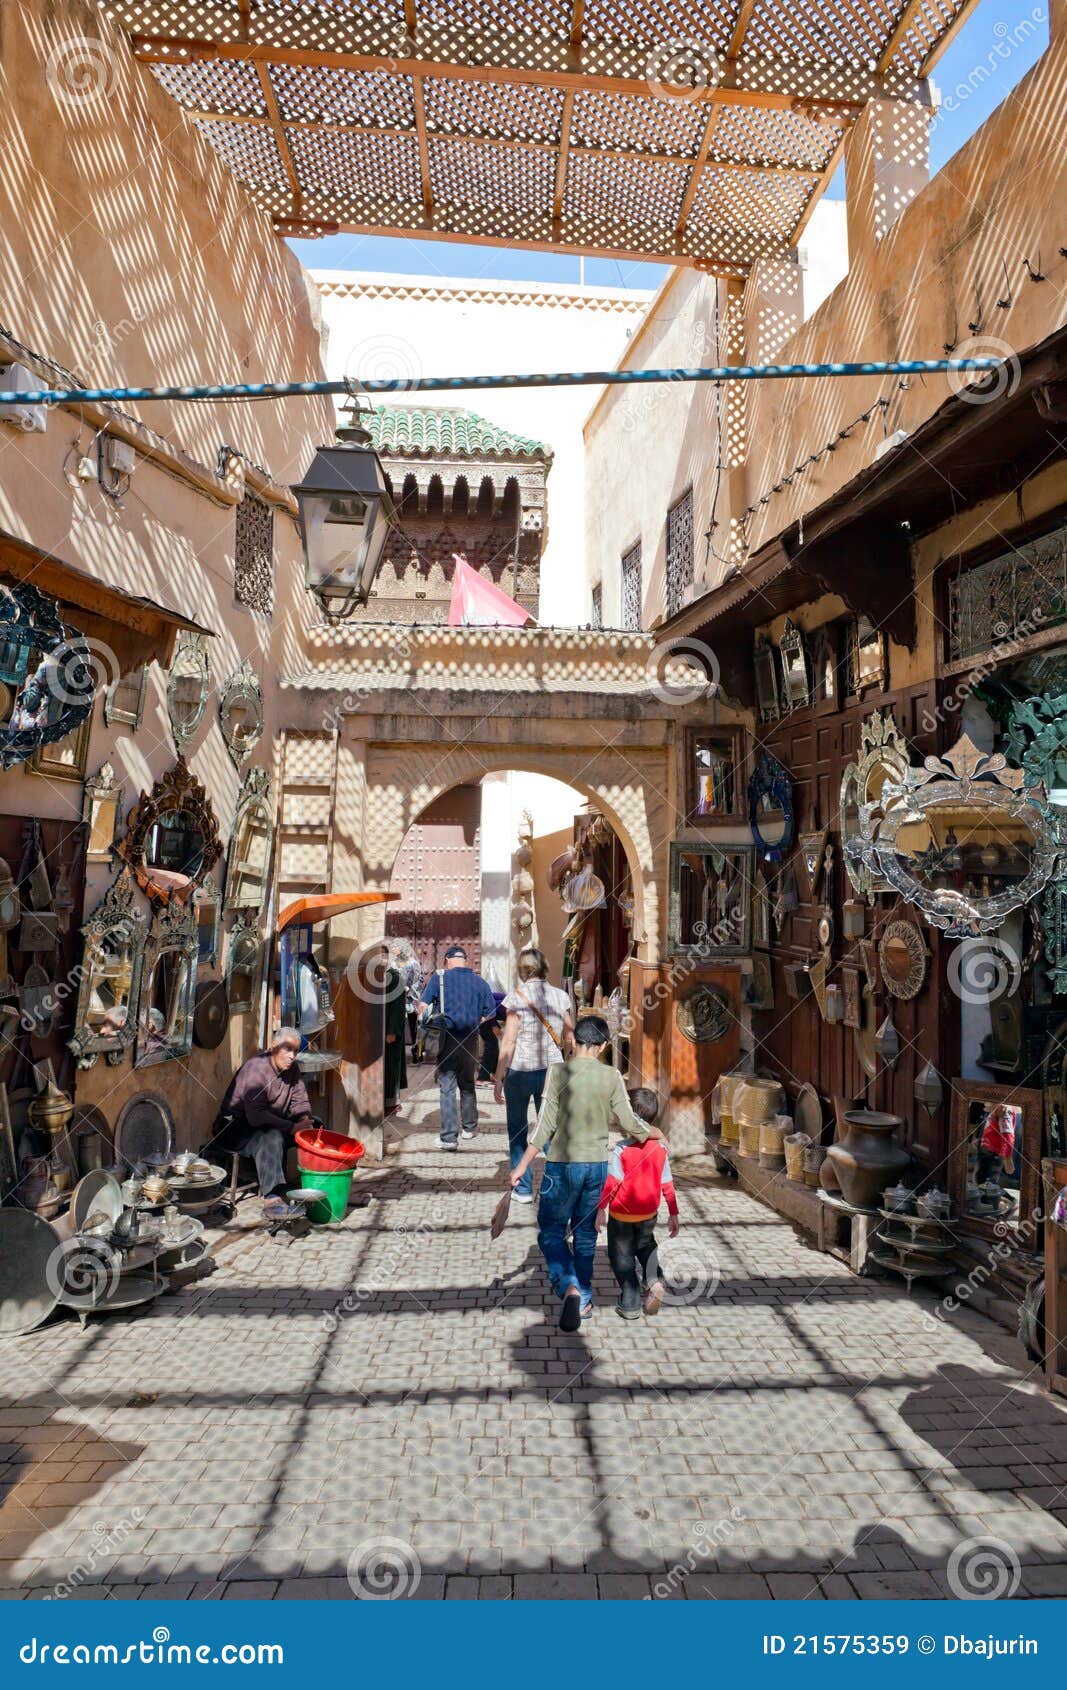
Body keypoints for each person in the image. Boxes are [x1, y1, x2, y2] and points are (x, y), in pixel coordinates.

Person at [509, 1013, 663, 1331]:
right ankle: (587, 1299)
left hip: (561, 1166)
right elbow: (629, 1122)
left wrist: (522, 1165)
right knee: (585, 1235)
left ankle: (570, 1287)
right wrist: (655, 1133)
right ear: (603, 1045)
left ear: (574, 1040)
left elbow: (545, 1126)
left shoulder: (557, 1072)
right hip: (596, 1167)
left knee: (551, 1230)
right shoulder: (611, 1077)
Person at [493, 947, 574, 1204]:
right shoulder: (561, 997)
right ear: (544, 968)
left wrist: (498, 1077)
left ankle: (524, 1188)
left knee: (518, 1131)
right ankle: (556, 1186)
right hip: (552, 1072)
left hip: (520, 1072)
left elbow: (509, 1041)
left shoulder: (516, 997)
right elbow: (570, 1035)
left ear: (522, 969)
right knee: (550, 1129)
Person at [211, 1028, 314, 1218]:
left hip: (269, 1122)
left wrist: (304, 1120)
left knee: (314, 1128)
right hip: (233, 1127)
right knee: (271, 1136)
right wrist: (291, 1127)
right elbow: (256, 1116)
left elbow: (299, 1100)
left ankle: (315, 1183)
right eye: (287, 1049)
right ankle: (271, 1195)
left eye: (295, 1051)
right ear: (273, 1046)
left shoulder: (292, 1069)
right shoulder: (256, 1069)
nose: (292, 1056)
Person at [596, 1087, 679, 1320]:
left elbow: (612, 1182)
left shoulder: (622, 1149)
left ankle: (630, 1301)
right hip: (648, 1213)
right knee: (646, 1246)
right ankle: (655, 1283)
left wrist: (601, 1208)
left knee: (621, 1257)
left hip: (622, 1216)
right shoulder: (660, 1149)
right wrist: (673, 1214)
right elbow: (667, 1184)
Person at [420, 945, 497, 1151]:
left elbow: (422, 1006)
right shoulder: (480, 982)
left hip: (447, 1039)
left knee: (447, 1087)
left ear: (447, 960)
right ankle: (470, 1128)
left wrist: (428, 1022)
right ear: (465, 960)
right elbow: (490, 1013)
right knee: (467, 1083)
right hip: (471, 1040)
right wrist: (474, 1022)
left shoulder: (440, 978)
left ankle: (448, 1138)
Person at [383, 956, 408, 1115]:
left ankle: (391, 1103)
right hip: (377, 1029)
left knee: (391, 1067)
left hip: (390, 1032)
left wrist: (392, 1030)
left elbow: (398, 1006)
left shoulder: (394, 978)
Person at [392, 941, 423, 1049]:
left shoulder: (413, 963)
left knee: (411, 1020)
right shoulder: (393, 963)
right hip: (395, 996)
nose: (392, 949)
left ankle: (413, 1044)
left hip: (409, 997)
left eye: (395, 946)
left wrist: (409, 989)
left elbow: (419, 979)